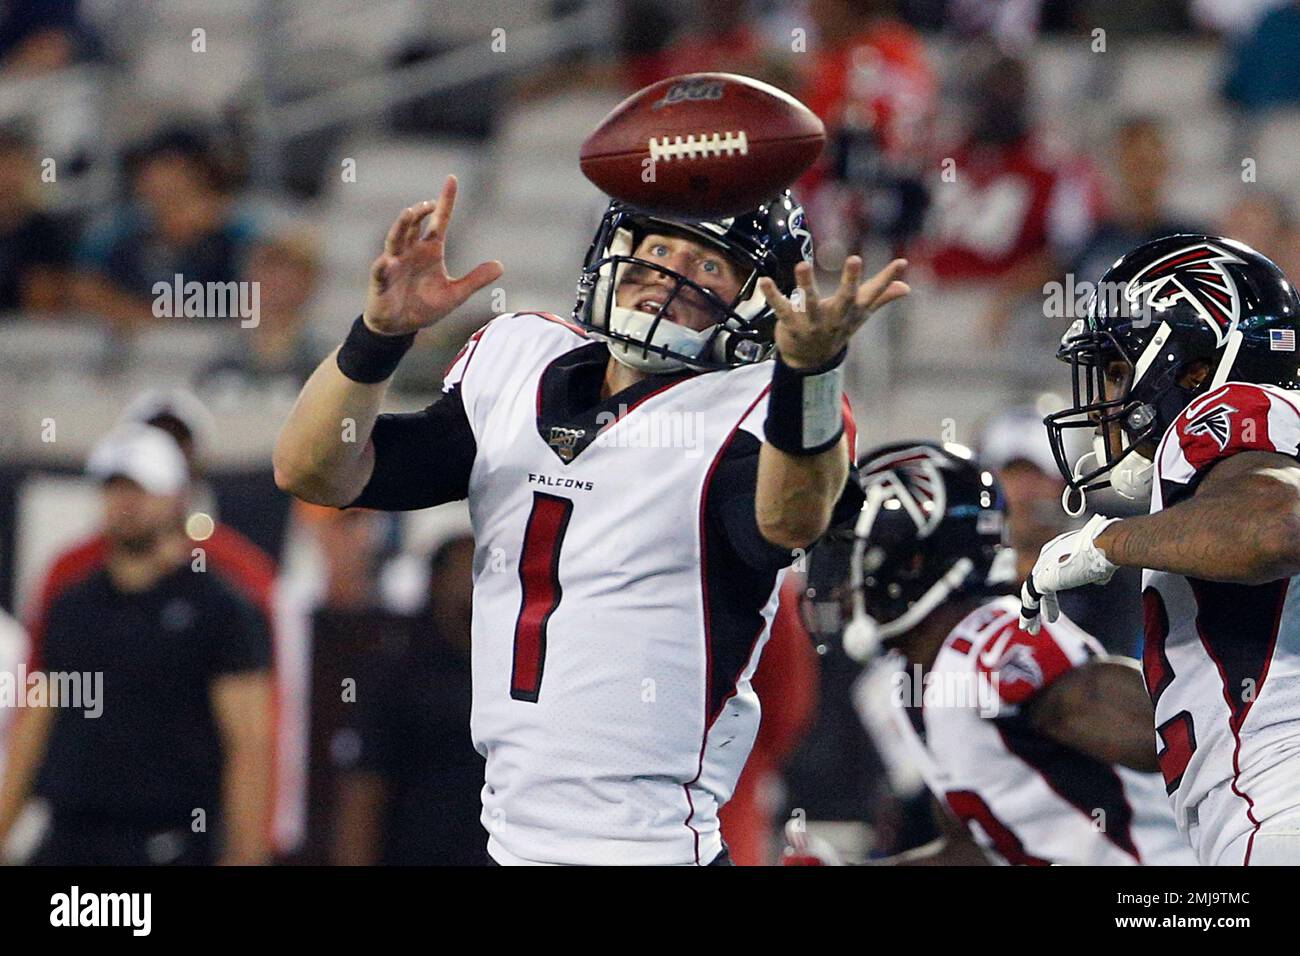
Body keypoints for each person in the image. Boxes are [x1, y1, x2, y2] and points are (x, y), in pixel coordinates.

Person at [273, 172, 909, 865]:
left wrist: (810, 375)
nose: (668, 279)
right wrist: (377, 337)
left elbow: (790, 521)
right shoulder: (519, 362)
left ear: (755, 303)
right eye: (659, 251)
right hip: (512, 843)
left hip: (654, 851)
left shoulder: (752, 411)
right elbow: (314, 470)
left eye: (707, 265)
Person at [1022, 234, 1300, 865]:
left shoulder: (1230, 408)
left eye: (1119, 370)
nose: (1107, 401)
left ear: (1195, 366)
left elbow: (1278, 527)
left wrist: (1106, 543)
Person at [794, 441, 1194, 865]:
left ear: (909, 561)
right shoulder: (915, 681)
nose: (839, 587)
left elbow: (1174, 739)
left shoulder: (992, 644)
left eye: (856, 557)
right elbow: (979, 852)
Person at [0, 423, 274, 865]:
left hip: (167, 841)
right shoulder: (72, 603)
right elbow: (35, 725)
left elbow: (249, 745)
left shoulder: (219, 608)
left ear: (177, 495)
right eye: (114, 486)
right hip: (70, 837)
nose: (126, 502)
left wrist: (247, 856)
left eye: (142, 487)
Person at [332, 534, 484, 866]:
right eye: (470, 569)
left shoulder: (515, 669)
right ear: (437, 582)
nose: (479, 582)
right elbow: (365, 785)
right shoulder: (399, 672)